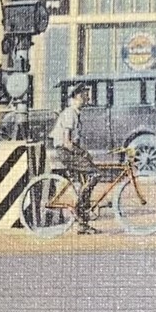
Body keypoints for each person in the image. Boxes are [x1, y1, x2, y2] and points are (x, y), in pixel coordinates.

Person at [48, 85, 97, 231]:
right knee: (95, 174)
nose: (87, 98)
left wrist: (84, 153)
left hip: (68, 151)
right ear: (77, 97)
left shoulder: (75, 113)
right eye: (85, 95)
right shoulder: (70, 114)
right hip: (65, 152)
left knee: (85, 181)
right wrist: (82, 153)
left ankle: (83, 224)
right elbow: (67, 142)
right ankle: (79, 209)